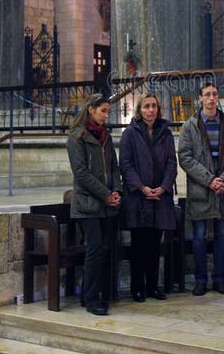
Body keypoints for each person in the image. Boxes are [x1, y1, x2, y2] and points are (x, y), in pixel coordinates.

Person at [178, 79, 224, 296]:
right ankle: (200, 280)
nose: (211, 98)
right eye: (207, 94)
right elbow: (185, 158)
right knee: (199, 237)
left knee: (223, 236)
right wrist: (209, 180)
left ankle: (220, 279)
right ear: (200, 98)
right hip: (201, 190)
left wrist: (223, 180)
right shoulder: (190, 126)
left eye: (215, 94)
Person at [66, 94, 121, 316]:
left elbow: (114, 168)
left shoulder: (105, 137)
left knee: (105, 249)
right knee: (95, 249)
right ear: (91, 109)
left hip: (107, 205)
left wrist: (116, 190)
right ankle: (90, 298)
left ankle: (102, 293)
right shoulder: (76, 138)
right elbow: (81, 173)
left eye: (108, 111)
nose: (106, 115)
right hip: (86, 205)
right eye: (103, 111)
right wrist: (106, 194)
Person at [119, 92, 177, 302]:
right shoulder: (130, 134)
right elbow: (125, 165)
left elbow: (172, 162)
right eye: (146, 106)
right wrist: (142, 188)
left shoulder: (166, 133)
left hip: (160, 197)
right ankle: (137, 288)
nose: (151, 110)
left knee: (155, 245)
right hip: (139, 198)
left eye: (154, 106)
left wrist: (163, 187)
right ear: (139, 110)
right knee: (139, 245)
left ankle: (153, 286)